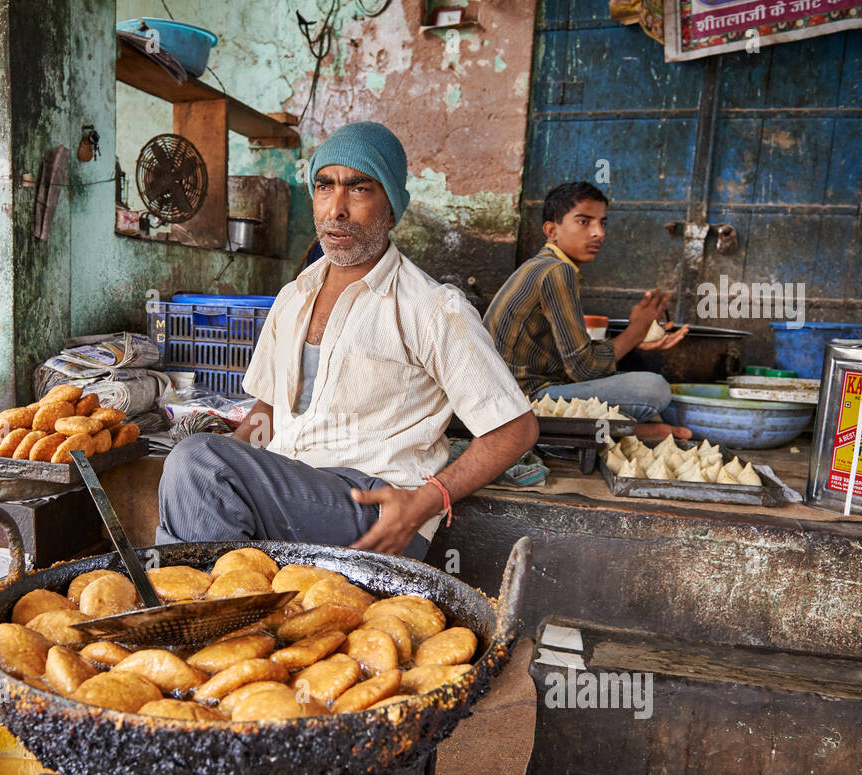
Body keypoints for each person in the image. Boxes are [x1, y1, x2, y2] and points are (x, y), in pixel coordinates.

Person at [155, 121, 536, 559]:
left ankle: (207, 613)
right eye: (324, 186)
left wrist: (424, 503)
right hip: (298, 490)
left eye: (358, 189)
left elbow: (515, 428)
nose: (336, 208)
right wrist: (236, 458)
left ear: (391, 208)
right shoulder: (294, 296)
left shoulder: (432, 308)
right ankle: (228, 610)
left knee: (194, 462)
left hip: (375, 507)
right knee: (193, 473)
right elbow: (272, 411)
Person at [484, 181, 689, 426]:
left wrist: (636, 341)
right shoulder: (557, 271)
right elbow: (582, 369)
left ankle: (641, 430)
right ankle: (636, 431)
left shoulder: (545, 265)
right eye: (584, 222)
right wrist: (635, 332)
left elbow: (572, 358)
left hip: (518, 393)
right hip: (523, 402)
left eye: (602, 223)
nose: (598, 233)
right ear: (551, 230)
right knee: (653, 388)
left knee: (631, 382)